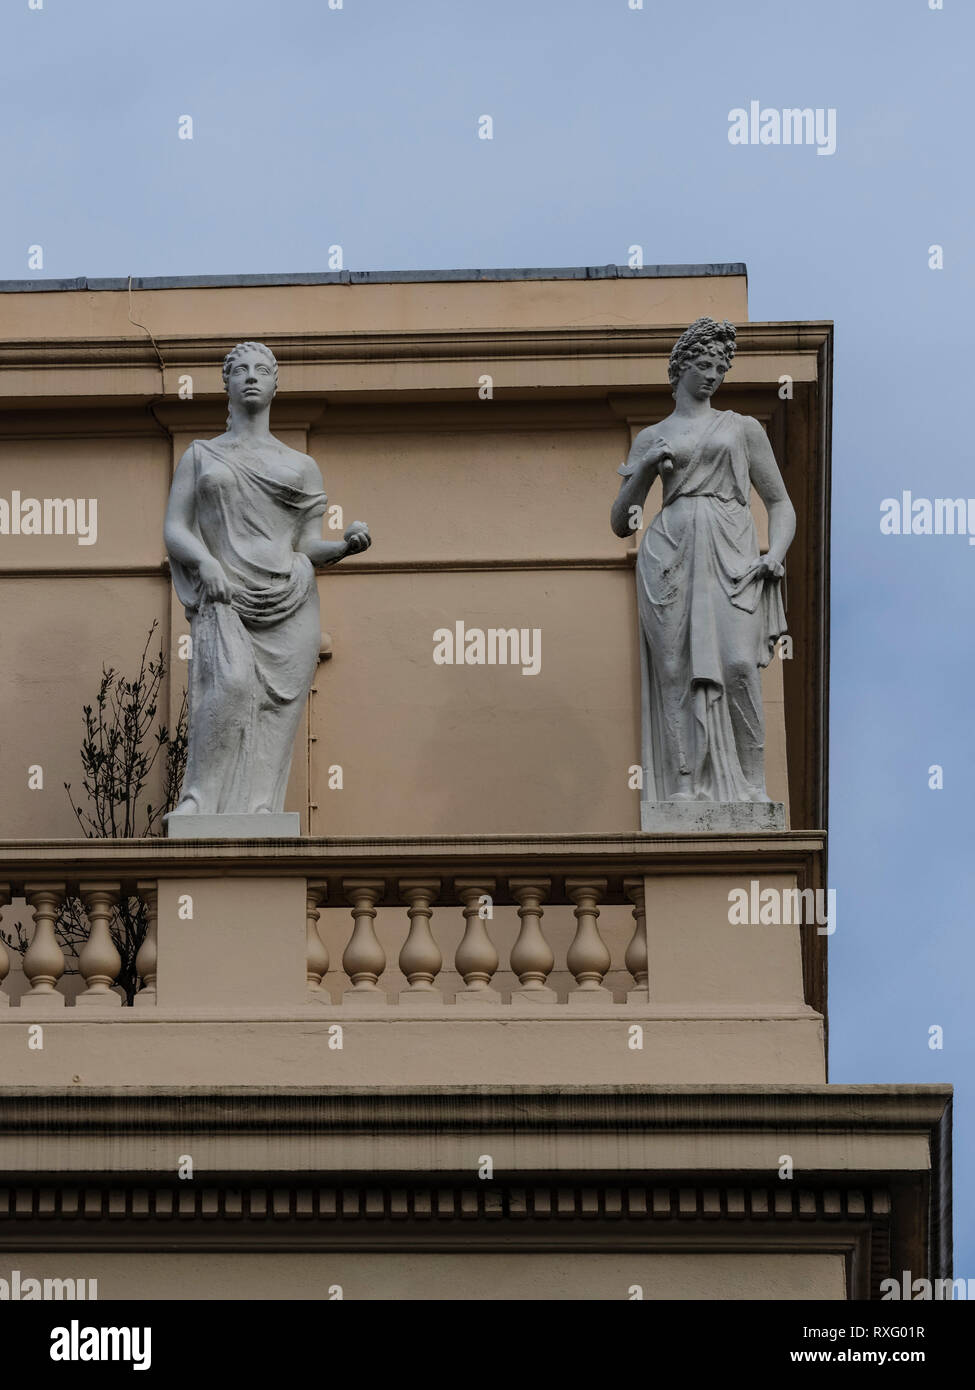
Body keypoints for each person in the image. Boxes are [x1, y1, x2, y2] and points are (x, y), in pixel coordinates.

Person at [163, 340, 371, 816]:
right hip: (225, 595)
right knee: (227, 687)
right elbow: (175, 527)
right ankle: (198, 800)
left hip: (291, 597)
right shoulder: (201, 456)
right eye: (240, 369)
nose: (251, 376)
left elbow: (306, 544)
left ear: (276, 384)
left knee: (278, 711)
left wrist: (342, 546)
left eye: (262, 369)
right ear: (227, 384)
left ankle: (261, 809)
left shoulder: (300, 466)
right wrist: (206, 562)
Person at [610, 317, 795, 805]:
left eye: (720, 368)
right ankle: (685, 786)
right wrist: (645, 470)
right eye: (704, 365)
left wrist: (774, 553)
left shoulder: (742, 428)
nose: (712, 376)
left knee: (738, 664)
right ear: (681, 368)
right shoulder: (652, 436)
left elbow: (780, 503)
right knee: (673, 668)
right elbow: (622, 521)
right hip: (669, 551)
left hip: (732, 548)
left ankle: (752, 787)